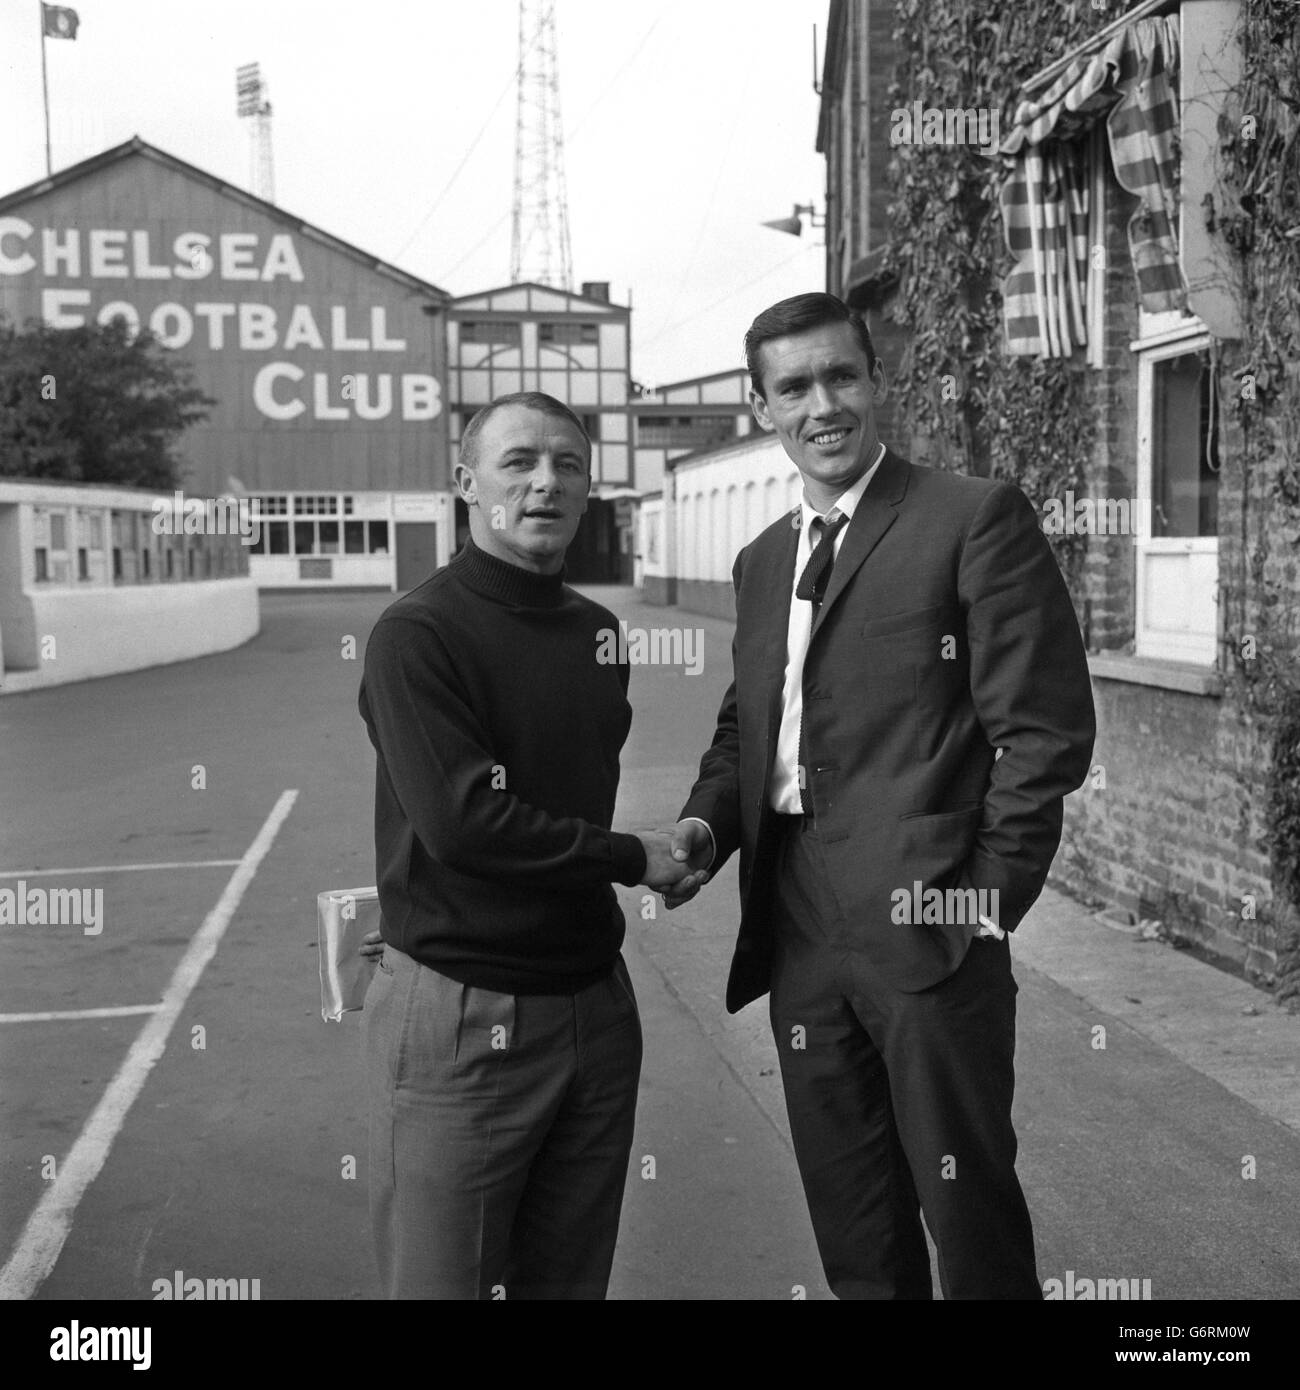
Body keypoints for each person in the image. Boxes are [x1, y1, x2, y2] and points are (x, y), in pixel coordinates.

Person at [663, 293, 1096, 1299]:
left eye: (839, 376)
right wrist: (703, 823)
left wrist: (976, 909)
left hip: (928, 920)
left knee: (968, 1216)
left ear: (873, 378)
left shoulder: (968, 517)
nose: (822, 404)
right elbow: (751, 729)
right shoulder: (762, 559)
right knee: (852, 1215)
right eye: (794, 386)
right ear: (762, 405)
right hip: (799, 923)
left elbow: (1043, 734)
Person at [357, 391, 701, 1300]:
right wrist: (636, 858)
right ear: (467, 482)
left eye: (568, 464)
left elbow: (568, 792)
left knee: (567, 1284)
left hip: (592, 1006)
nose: (545, 482)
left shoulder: (596, 632)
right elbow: (466, 824)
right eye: (519, 463)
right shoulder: (416, 633)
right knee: (447, 1285)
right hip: (465, 1012)